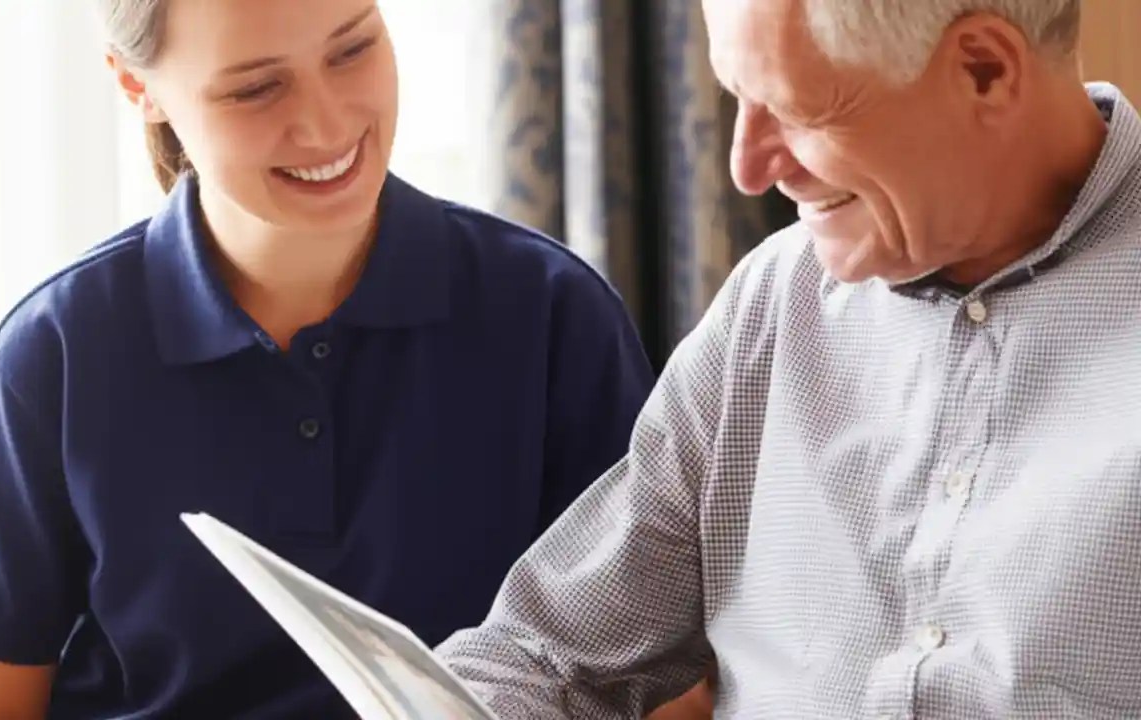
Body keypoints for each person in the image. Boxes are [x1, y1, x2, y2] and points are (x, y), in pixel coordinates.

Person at [0, 0, 655, 717]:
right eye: (256, 88)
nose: (327, 124)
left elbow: (660, 690)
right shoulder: (53, 356)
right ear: (139, 86)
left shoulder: (552, 313)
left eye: (353, 47)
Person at [437, 0, 1141, 717]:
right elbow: (545, 657)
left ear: (983, 70)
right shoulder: (773, 301)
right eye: (738, 98)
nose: (747, 167)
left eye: (797, 111)